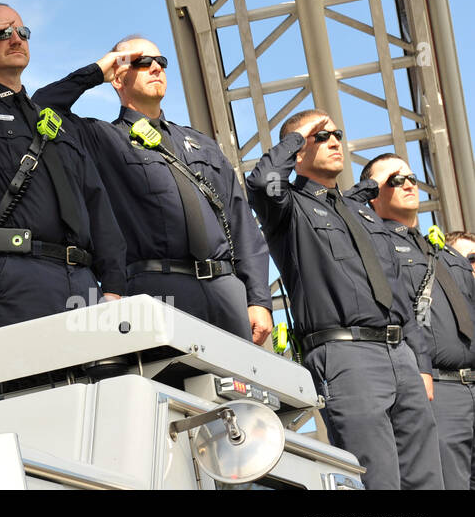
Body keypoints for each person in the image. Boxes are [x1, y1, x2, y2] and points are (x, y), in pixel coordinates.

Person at [246, 111, 443, 489]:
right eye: (321, 137)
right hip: (346, 356)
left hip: (399, 354)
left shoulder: (363, 215)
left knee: (427, 479)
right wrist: (299, 134)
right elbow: (261, 181)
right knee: (377, 480)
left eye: (337, 133)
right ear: (299, 151)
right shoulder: (290, 209)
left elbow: (399, 294)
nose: (335, 140)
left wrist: (420, 361)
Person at [34, 38, 273, 342]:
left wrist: (258, 299)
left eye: (161, 62)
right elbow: (41, 106)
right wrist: (98, 70)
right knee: (173, 387)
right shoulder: (103, 138)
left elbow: (242, 223)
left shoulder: (201, 143)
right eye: (142, 62)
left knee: (238, 389)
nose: (156, 67)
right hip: (158, 291)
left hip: (227, 292)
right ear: (118, 76)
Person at [0, 5, 126, 334]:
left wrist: (114, 289)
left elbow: (96, 203)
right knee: (35, 384)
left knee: (97, 385)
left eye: (22, 32)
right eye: (1, 32)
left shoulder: (53, 121)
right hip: (16, 276)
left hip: (86, 284)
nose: (16, 38)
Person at [354, 155, 475, 489]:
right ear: (373, 193)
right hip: (438, 388)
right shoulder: (376, 250)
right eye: (395, 179)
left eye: (412, 177)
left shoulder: (448, 256)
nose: (408, 183)